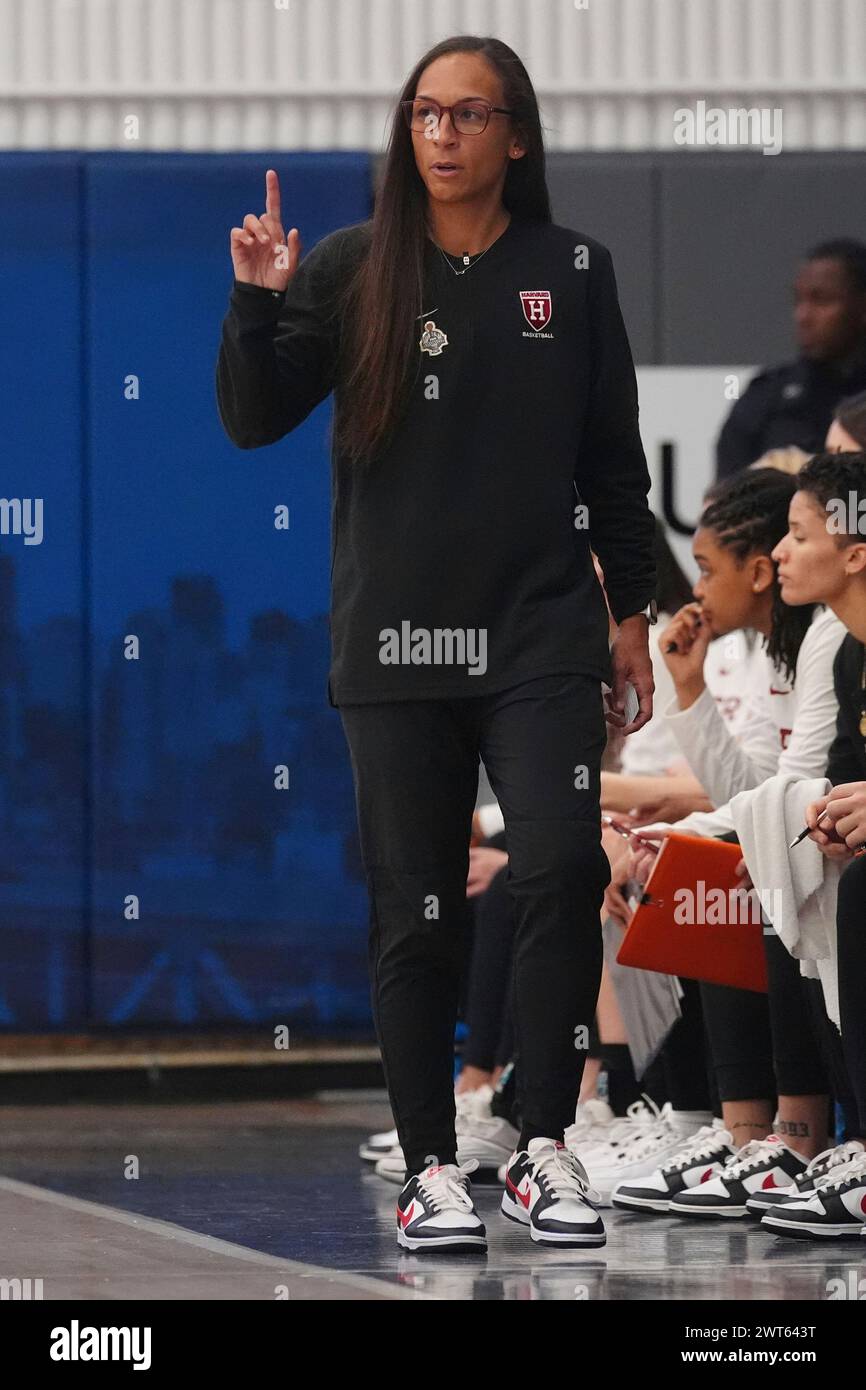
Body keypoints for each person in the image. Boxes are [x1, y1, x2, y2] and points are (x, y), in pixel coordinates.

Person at [216, 34, 656, 1253]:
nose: (443, 134)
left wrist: (626, 615)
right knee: (416, 909)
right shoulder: (356, 265)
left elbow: (611, 466)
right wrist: (256, 302)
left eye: (469, 114)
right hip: (396, 638)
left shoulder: (572, 269)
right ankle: (429, 1166)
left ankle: (542, 1142)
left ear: (516, 135)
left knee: (562, 863)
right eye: (424, 113)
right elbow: (253, 420)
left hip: (538, 634)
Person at [716, 240, 866, 479]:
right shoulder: (764, 401)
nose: (803, 316)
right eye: (799, 300)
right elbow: (725, 506)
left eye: (821, 300)